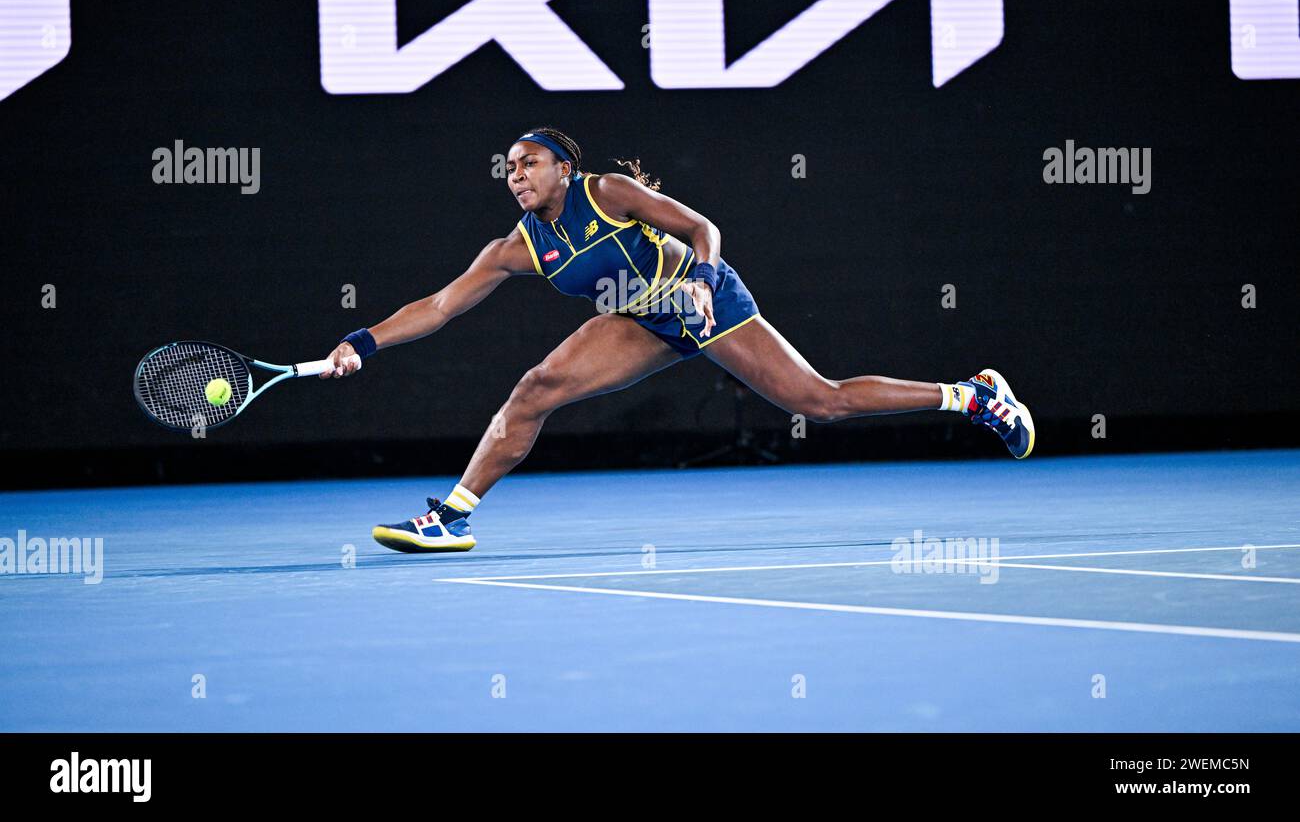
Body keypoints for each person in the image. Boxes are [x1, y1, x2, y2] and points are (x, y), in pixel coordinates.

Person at [322, 128, 1035, 553]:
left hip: (707, 298)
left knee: (821, 403)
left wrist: (701, 280)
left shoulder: (609, 192)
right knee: (535, 389)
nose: (517, 175)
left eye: (529, 163)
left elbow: (703, 229)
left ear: (564, 169)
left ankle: (973, 397)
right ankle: (449, 518)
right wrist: (361, 342)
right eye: (509, 168)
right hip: (642, 321)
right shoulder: (518, 248)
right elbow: (439, 306)